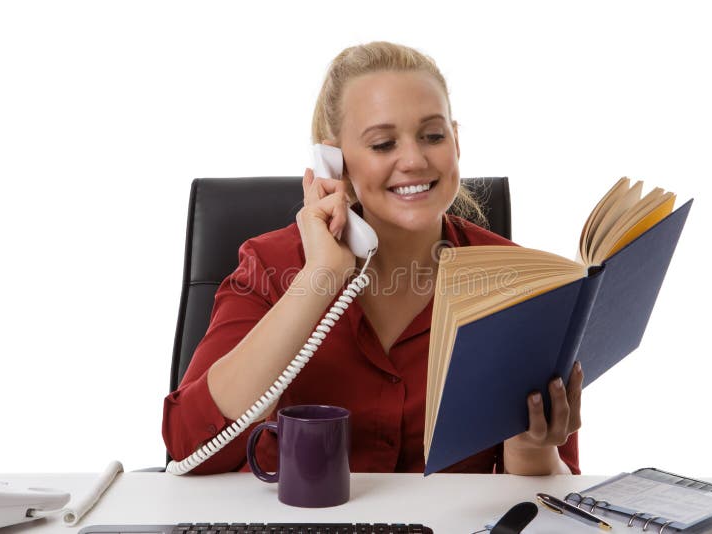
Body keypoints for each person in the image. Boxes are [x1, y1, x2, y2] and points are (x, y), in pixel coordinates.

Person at [162, 41, 582, 476]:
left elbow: (551, 493)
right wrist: (319, 277)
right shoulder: (270, 266)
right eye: (383, 144)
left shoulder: (521, 282)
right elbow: (188, 449)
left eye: (433, 136)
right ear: (335, 164)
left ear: (456, 140)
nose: (414, 160)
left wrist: (531, 448)